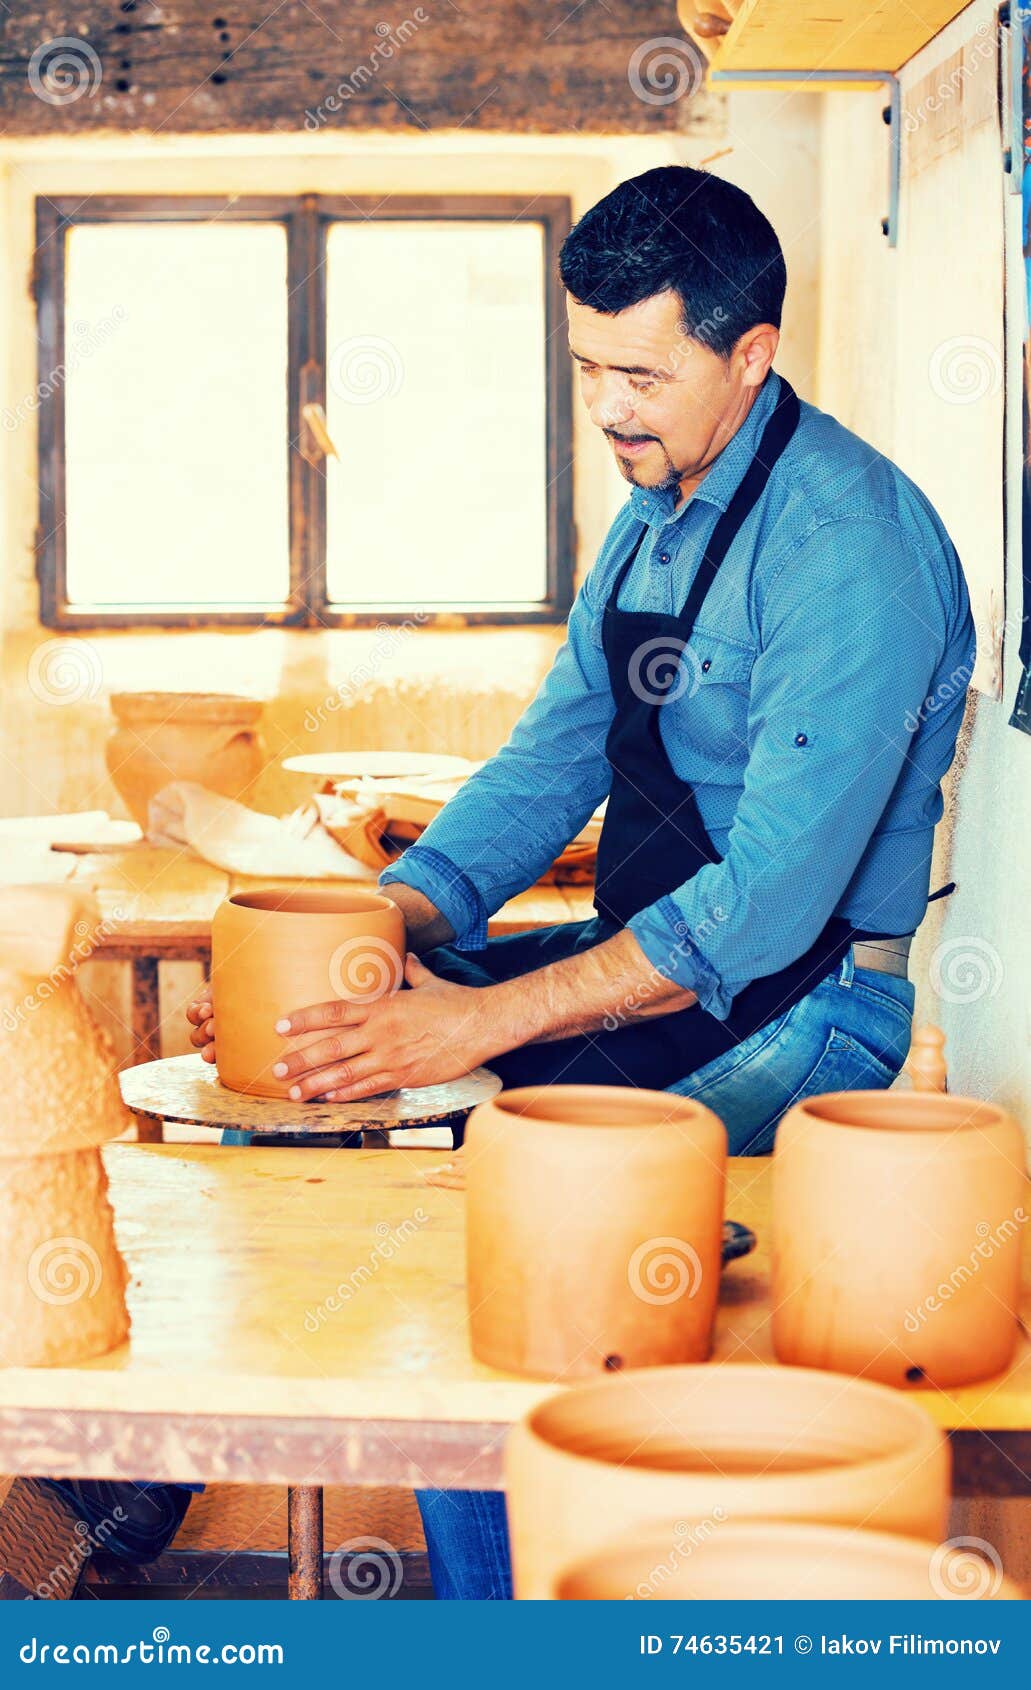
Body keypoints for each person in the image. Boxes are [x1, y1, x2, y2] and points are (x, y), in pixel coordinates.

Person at [74, 165, 974, 1589]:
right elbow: (549, 763)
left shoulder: (847, 548)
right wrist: (375, 941)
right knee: (317, 1076)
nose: (608, 406)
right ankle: (125, 1496)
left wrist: (477, 1020)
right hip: (650, 966)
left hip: (804, 1005)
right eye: (586, 367)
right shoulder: (652, 509)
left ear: (752, 352)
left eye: (641, 370)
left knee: (506, 1225)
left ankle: (514, 1618)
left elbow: (766, 909)